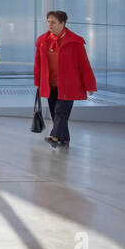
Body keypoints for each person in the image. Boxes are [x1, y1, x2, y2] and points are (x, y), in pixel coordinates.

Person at [33, 10, 96, 148]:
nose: (50, 25)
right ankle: (64, 139)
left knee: (61, 112)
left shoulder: (75, 42)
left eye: (53, 22)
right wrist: (38, 81)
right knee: (56, 113)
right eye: (49, 22)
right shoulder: (43, 41)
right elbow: (38, 64)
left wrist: (90, 85)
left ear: (63, 23)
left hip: (68, 85)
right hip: (51, 84)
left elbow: (84, 65)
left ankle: (54, 137)